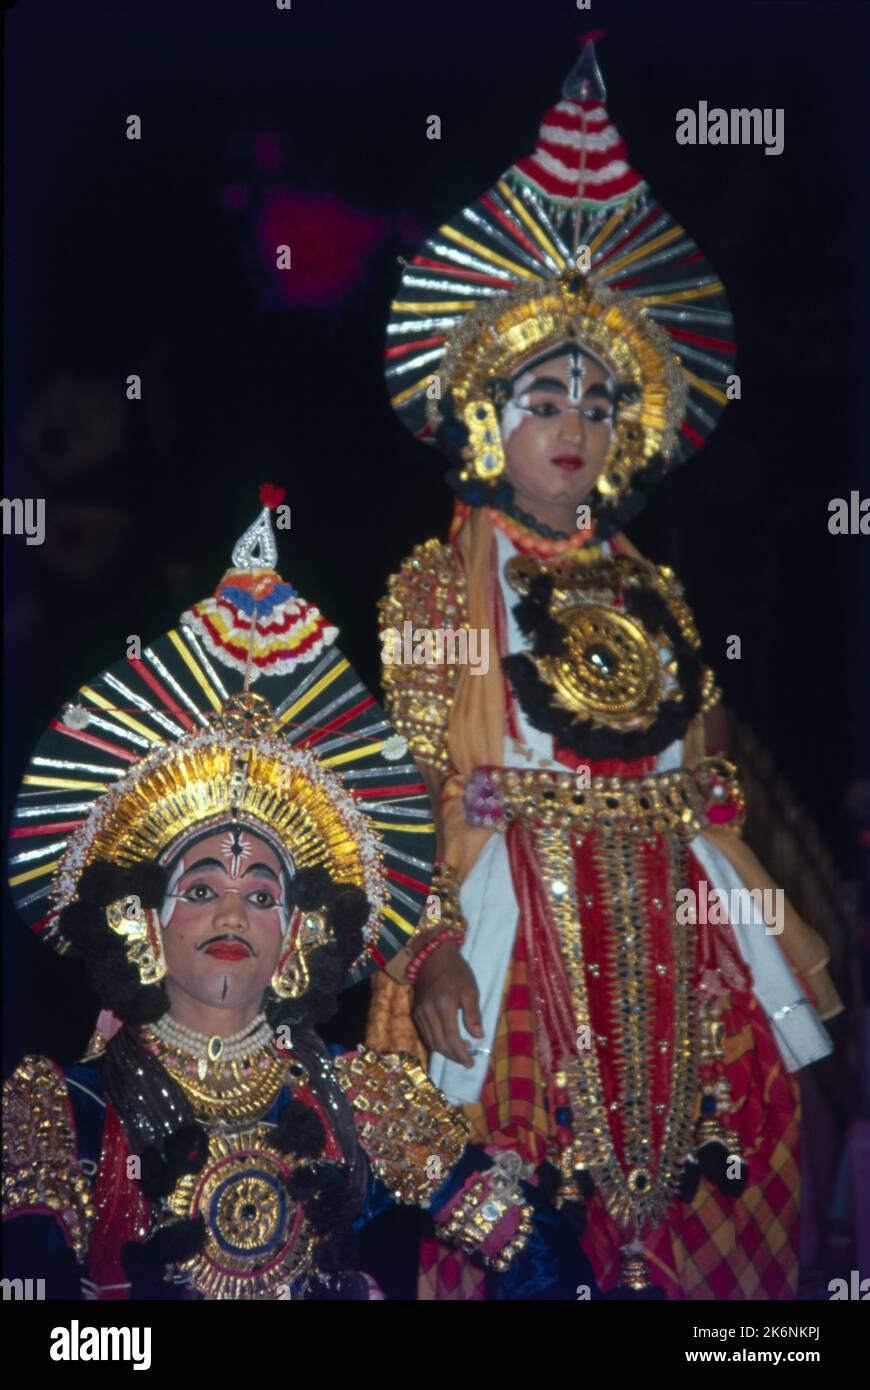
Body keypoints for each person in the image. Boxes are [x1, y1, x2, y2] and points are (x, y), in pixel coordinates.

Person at [366, 39, 843, 1299]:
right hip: (516, 929)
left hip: (684, 937)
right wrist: (430, 955)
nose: (571, 425)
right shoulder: (437, 587)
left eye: (594, 400)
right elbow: (402, 809)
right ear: (484, 417)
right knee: (516, 1216)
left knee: (744, 1190)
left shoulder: (655, 588)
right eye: (540, 396)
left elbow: (715, 778)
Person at [3, 485, 596, 1300]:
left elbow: (542, 1254)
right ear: (143, 922)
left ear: (300, 936)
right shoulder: (63, 1109)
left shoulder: (363, 1098)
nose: (234, 911)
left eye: (262, 893)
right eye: (203, 883)